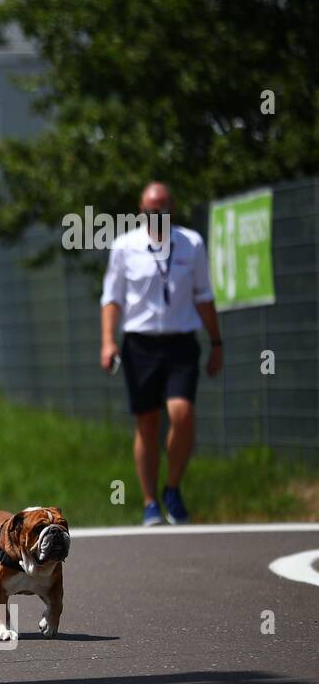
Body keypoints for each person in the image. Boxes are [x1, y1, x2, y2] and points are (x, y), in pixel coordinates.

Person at [100, 182, 223, 526]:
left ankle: (173, 487)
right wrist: (108, 341)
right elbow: (112, 298)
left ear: (173, 208)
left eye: (163, 207)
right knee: (147, 422)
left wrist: (216, 342)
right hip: (140, 343)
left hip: (181, 341)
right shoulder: (125, 246)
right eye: (151, 209)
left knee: (182, 413)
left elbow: (203, 296)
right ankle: (150, 500)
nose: (157, 214)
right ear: (141, 211)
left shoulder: (191, 243)